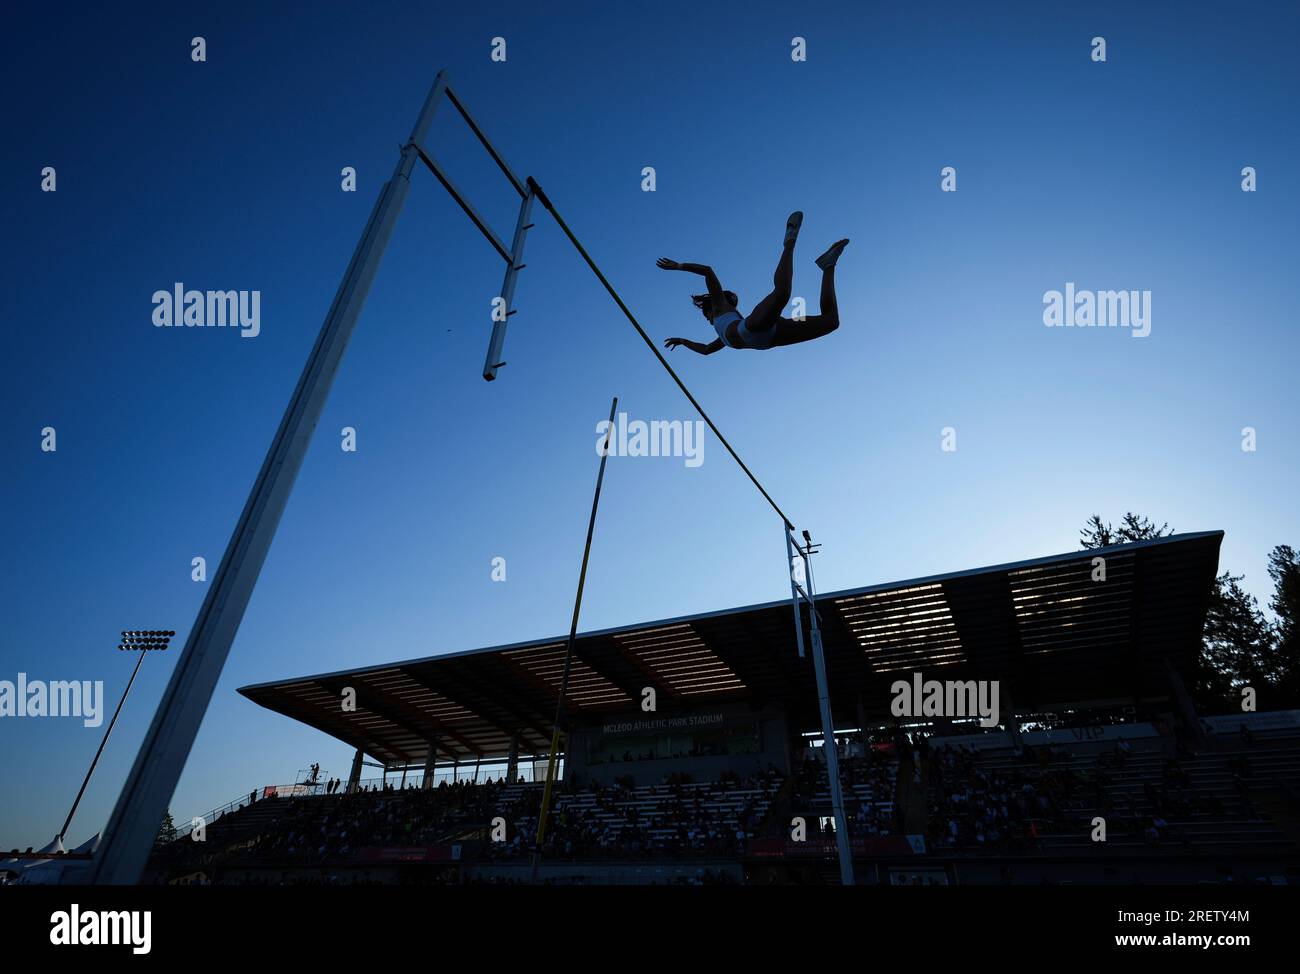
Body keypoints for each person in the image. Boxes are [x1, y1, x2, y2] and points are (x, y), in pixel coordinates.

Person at [660, 211, 848, 355]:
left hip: (754, 327)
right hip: (775, 335)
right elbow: (706, 349)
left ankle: (789, 241)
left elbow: (708, 271)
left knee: (782, 293)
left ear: (710, 308)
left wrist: (678, 265)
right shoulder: (722, 337)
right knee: (831, 322)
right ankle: (828, 266)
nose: (708, 321)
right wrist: (683, 341)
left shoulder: (719, 307)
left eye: (706, 316)